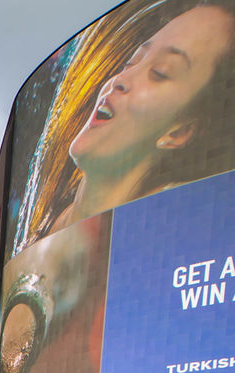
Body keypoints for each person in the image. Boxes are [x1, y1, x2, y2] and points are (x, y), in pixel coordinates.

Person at [35, 2, 235, 241]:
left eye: (160, 72)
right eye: (132, 62)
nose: (120, 80)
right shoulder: (42, 224)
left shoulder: (169, 236)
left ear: (179, 132)